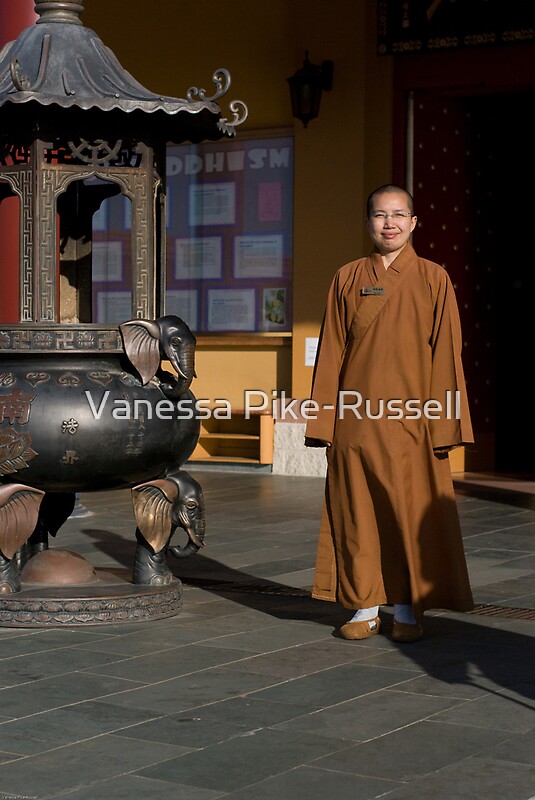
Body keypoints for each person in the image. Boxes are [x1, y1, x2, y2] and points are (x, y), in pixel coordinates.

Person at [305, 184, 474, 642]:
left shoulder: (434, 278)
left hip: (413, 420)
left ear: (414, 222)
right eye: (380, 215)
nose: (390, 223)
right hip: (356, 419)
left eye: (399, 214)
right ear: (368, 223)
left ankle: (405, 609)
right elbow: (332, 352)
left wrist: (443, 422)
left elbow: (447, 355)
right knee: (356, 512)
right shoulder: (346, 277)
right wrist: (324, 421)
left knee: (407, 515)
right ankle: (363, 607)